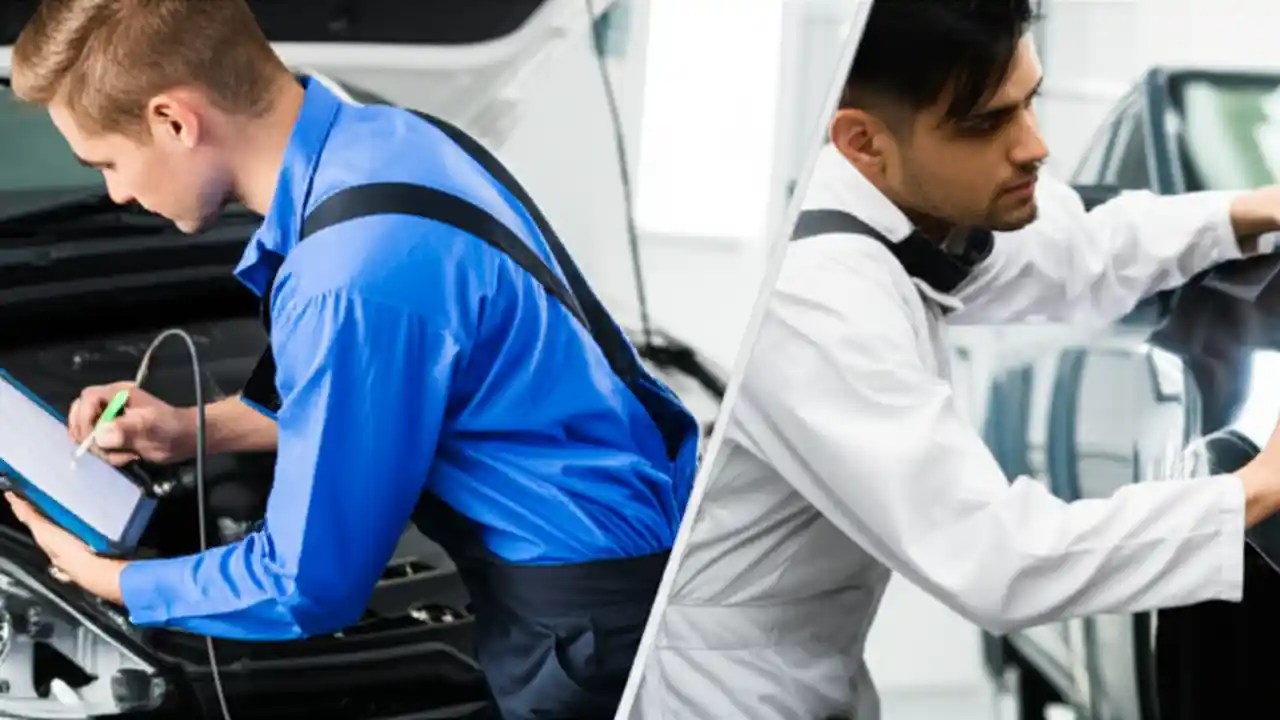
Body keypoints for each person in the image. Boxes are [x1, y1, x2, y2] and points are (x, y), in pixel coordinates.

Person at [2, 1, 700, 718]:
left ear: (174, 121)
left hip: (579, 623)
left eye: (108, 162)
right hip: (619, 570)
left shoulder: (349, 273)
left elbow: (310, 584)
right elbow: (377, 397)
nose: (115, 192)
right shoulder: (389, 139)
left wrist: (109, 581)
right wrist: (187, 429)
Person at [620, 1, 1280, 718]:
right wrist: (1258, 487)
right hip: (724, 698)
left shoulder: (903, 220)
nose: (1034, 146)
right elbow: (999, 560)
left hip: (801, 668)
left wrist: (1252, 210)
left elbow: (1082, 246)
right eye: (986, 123)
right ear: (863, 142)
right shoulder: (818, 300)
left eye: (1029, 101)